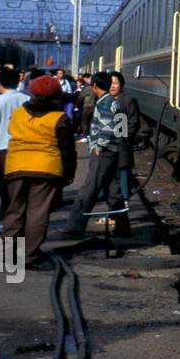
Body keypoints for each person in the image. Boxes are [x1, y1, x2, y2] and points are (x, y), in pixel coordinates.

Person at [3, 75, 76, 265]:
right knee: (38, 212)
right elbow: (68, 150)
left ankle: (8, 253)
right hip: (46, 169)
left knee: (15, 211)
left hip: (16, 166)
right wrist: (68, 174)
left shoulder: (19, 113)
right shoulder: (60, 118)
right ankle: (29, 255)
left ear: (32, 91)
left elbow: (11, 132)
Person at [63, 71, 130, 237]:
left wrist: (99, 147)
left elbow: (108, 129)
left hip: (104, 153)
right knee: (113, 191)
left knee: (89, 189)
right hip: (111, 152)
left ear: (94, 85)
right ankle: (123, 226)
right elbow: (121, 129)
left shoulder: (105, 103)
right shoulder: (112, 102)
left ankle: (75, 226)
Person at [0, 68, 30, 219]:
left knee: (5, 188)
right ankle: (22, 220)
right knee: (22, 188)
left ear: (0, 84)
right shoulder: (27, 100)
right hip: (24, 149)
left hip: (3, 150)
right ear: (17, 82)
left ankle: (8, 221)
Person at [109, 71, 141, 203]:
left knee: (122, 174)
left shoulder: (128, 100)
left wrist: (126, 140)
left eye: (115, 83)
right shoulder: (105, 100)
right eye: (110, 83)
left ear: (121, 85)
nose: (112, 86)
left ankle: (124, 203)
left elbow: (133, 122)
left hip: (121, 145)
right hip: (107, 146)